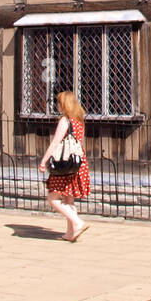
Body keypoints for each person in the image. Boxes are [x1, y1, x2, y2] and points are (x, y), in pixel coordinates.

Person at [38, 90, 91, 241]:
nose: (57, 106)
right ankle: (71, 232)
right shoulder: (79, 121)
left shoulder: (65, 121)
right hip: (77, 162)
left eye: (59, 103)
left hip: (64, 163)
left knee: (53, 198)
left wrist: (44, 160)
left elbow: (56, 142)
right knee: (69, 198)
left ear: (64, 105)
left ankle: (77, 222)